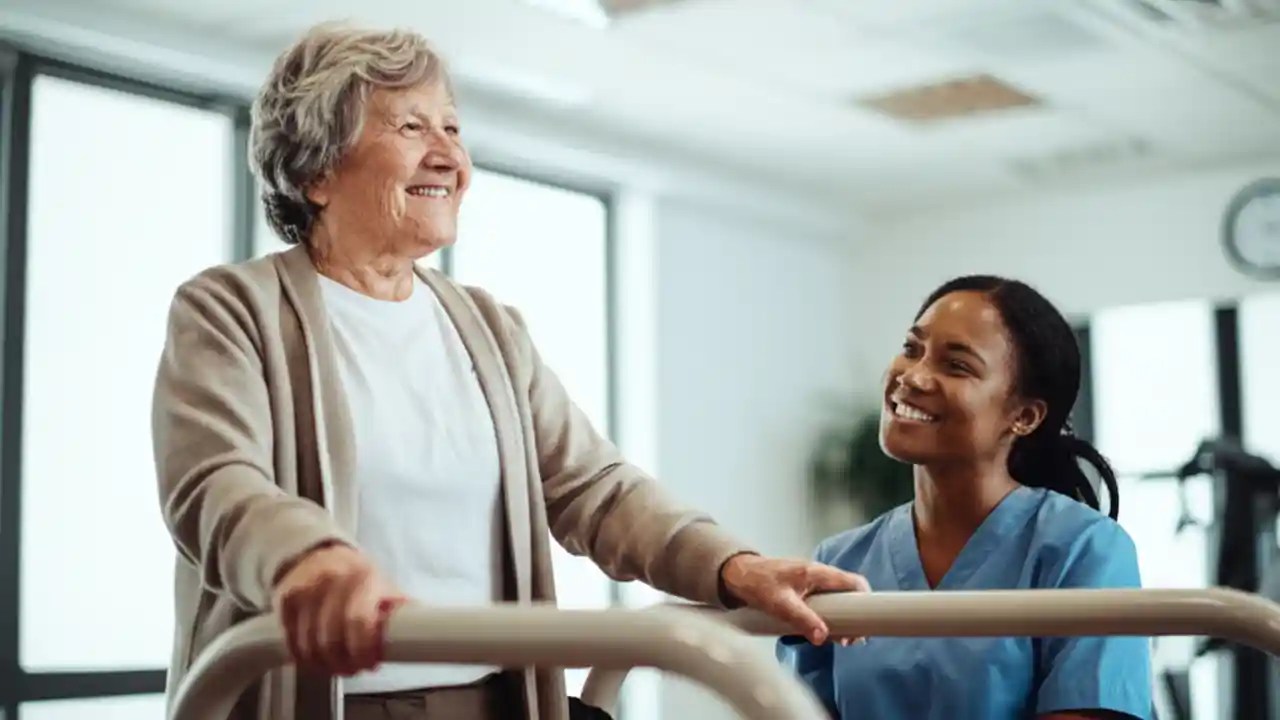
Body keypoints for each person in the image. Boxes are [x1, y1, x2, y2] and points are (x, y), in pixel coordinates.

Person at [151, 20, 868, 720]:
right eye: (410, 128)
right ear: (315, 171)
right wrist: (307, 560)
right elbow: (215, 486)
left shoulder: (489, 328)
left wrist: (732, 568)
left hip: (496, 696)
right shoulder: (230, 309)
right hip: (318, 698)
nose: (447, 156)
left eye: (452, 129)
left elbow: (597, 491)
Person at [778, 275, 1153, 720]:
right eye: (912, 349)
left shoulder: (1085, 549)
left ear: (1024, 416)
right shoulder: (841, 562)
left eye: (956, 365)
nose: (912, 376)